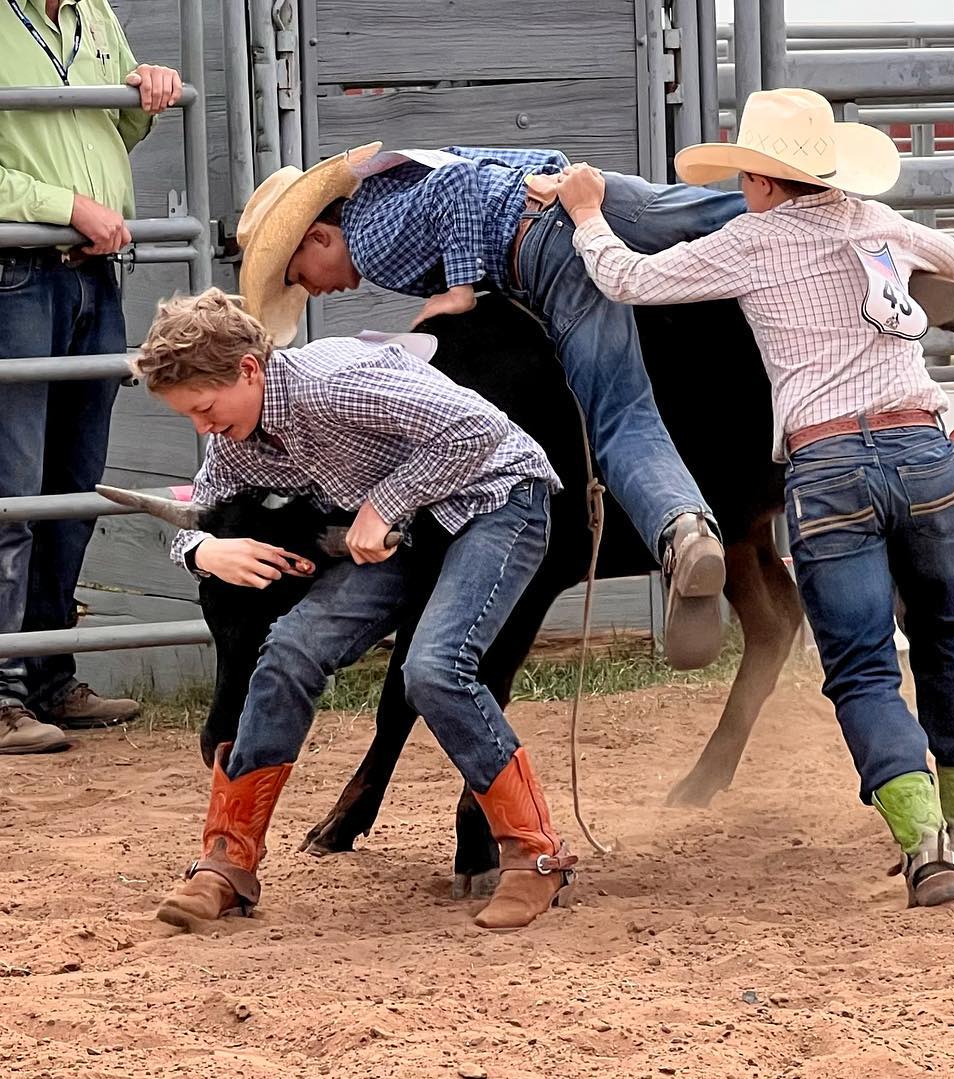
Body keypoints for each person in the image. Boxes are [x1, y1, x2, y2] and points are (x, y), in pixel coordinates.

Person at [553, 87, 954, 909]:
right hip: (924, 447)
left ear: (758, 180)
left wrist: (586, 212)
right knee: (949, 633)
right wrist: (873, 229)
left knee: (862, 664)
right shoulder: (873, 223)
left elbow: (625, 279)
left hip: (829, 464)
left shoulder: (748, 241)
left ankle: (926, 844)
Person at [136, 288, 576, 932]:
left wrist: (384, 503)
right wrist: (205, 550)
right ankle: (227, 862)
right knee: (287, 650)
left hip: (497, 502)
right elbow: (202, 511)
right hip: (410, 530)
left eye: (205, 408)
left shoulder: (334, 383)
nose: (203, 428)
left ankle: (535, 856)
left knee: (433, 669)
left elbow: (482, 432)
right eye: (191, 416)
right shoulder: (237, 433)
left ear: (250, 370)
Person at [232, 142, 751, 670]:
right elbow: (468, 160)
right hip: (578, 195)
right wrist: (551, 172)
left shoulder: (368, 243)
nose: (312, 291)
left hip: (544, 251)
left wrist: (458, 289)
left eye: (300, 276)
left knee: (622, 418)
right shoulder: (387, 181)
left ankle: (682, 530)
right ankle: (823, 208)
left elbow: (455, 183)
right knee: (730, 216)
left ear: (319, 236)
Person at [0, 0, 183, 753]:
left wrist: (146, 96)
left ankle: (44, 676)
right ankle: (2, 692)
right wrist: (64, 204)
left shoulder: (94, 13)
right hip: (14, 272)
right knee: (12, 491)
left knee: (72, 491)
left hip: (90, 276)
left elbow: (93, 133)